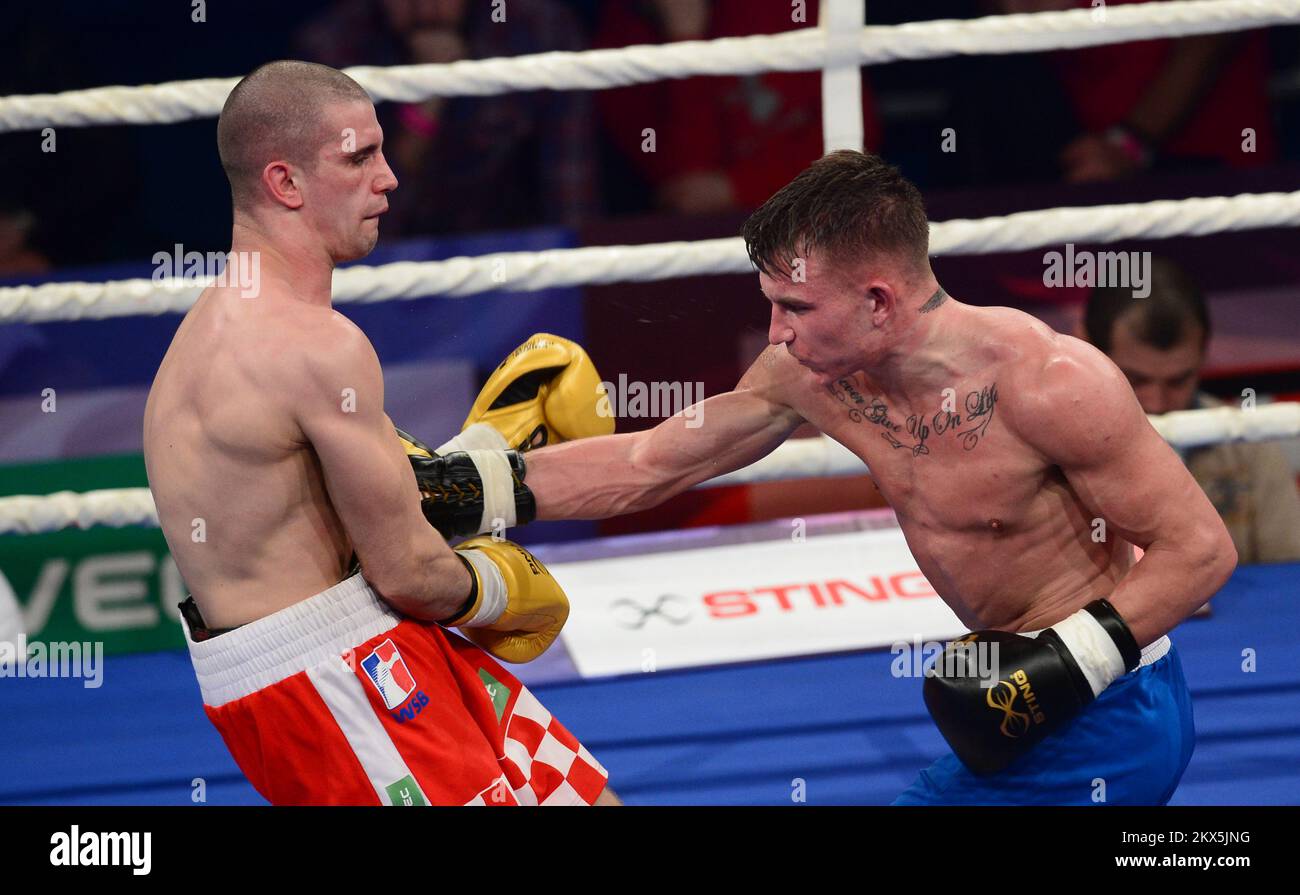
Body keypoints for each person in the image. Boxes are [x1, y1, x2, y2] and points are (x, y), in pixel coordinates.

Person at [418, 150, 1239, 805]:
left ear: (879, 301)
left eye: (796, 308)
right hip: (1026, 715)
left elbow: (1200, 551)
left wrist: (1059, 669)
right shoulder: (809, 374)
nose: (776, 331)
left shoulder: (1052, 384)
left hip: (1110, 711)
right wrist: (466, 488)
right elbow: (647, 463)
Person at [143, 60, 615, 806]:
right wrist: (502, 589)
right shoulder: (312, 345)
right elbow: (409, 573)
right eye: (359, 157)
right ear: (285, 183)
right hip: (333, 673)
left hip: (351, 643)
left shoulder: (207, 339)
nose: (390, 178)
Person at [1083, 256, 1300, 564]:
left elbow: (1290, 577)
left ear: (1203, 356)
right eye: (1136, 379)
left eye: (1178, 380)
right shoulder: (1050, 454)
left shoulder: (1250, 446)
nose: (1156, 402)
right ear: (1087, 349)